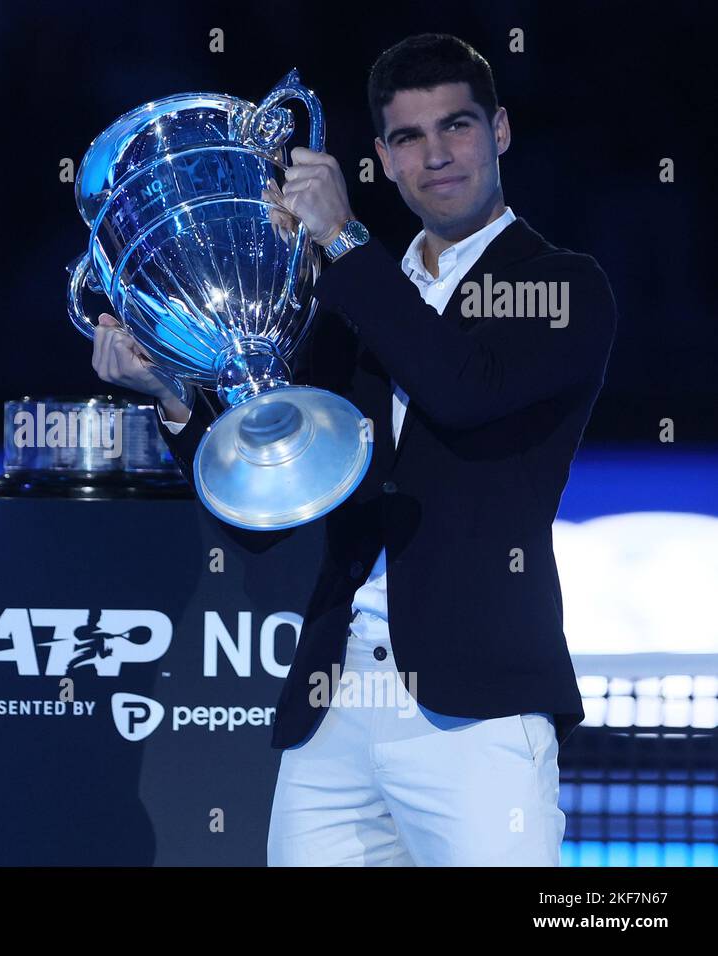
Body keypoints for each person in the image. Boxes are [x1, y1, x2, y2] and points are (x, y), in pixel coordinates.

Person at [89, 33, 617, 866]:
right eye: (408, 137)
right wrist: (176, 399)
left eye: (457, 127)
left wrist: (344, 241)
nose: (435, 156)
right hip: (333, 707)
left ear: (501, 131)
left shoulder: (560, 285)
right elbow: (267, 521)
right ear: (382, 155)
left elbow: (463, 390)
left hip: (476, 712)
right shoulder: (346, 306)